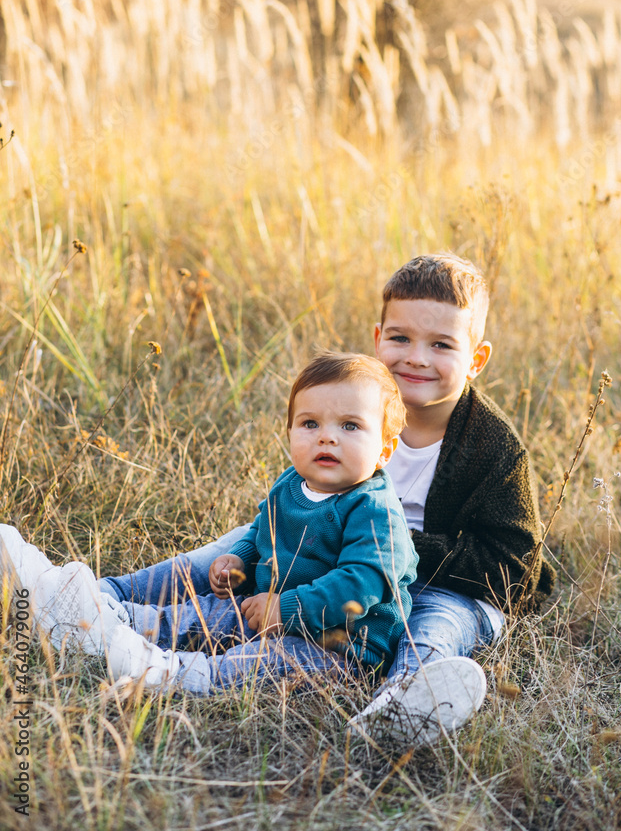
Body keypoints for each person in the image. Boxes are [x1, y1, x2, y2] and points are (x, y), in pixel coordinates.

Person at [95, 252, 556, 744]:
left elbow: (515, 566)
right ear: (379, 340)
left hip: (452, 585)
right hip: (342, 554)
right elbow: (293, 505)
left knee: (435, 628)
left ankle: (404, 702)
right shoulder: (353, 411)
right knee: (234, 546)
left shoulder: (494, 446)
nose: (417, 357)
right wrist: (256, 553)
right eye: (401, 338)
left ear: (476, 360)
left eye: (441, 344)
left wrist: (391, 547)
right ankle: (107, 598)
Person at [1, 352, 420, 695]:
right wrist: (236, 558)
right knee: (203, 615)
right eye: (310, 424)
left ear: (385, 449)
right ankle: (98, 618)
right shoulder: (292, 484)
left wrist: (285, 609)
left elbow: (360, 584)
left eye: (350, 426)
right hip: (265, 609)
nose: (327, 437)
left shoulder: (374, 510)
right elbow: (262, 532)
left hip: (341, 646)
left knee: (263, 665)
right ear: (289, 431)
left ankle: (174, 674)